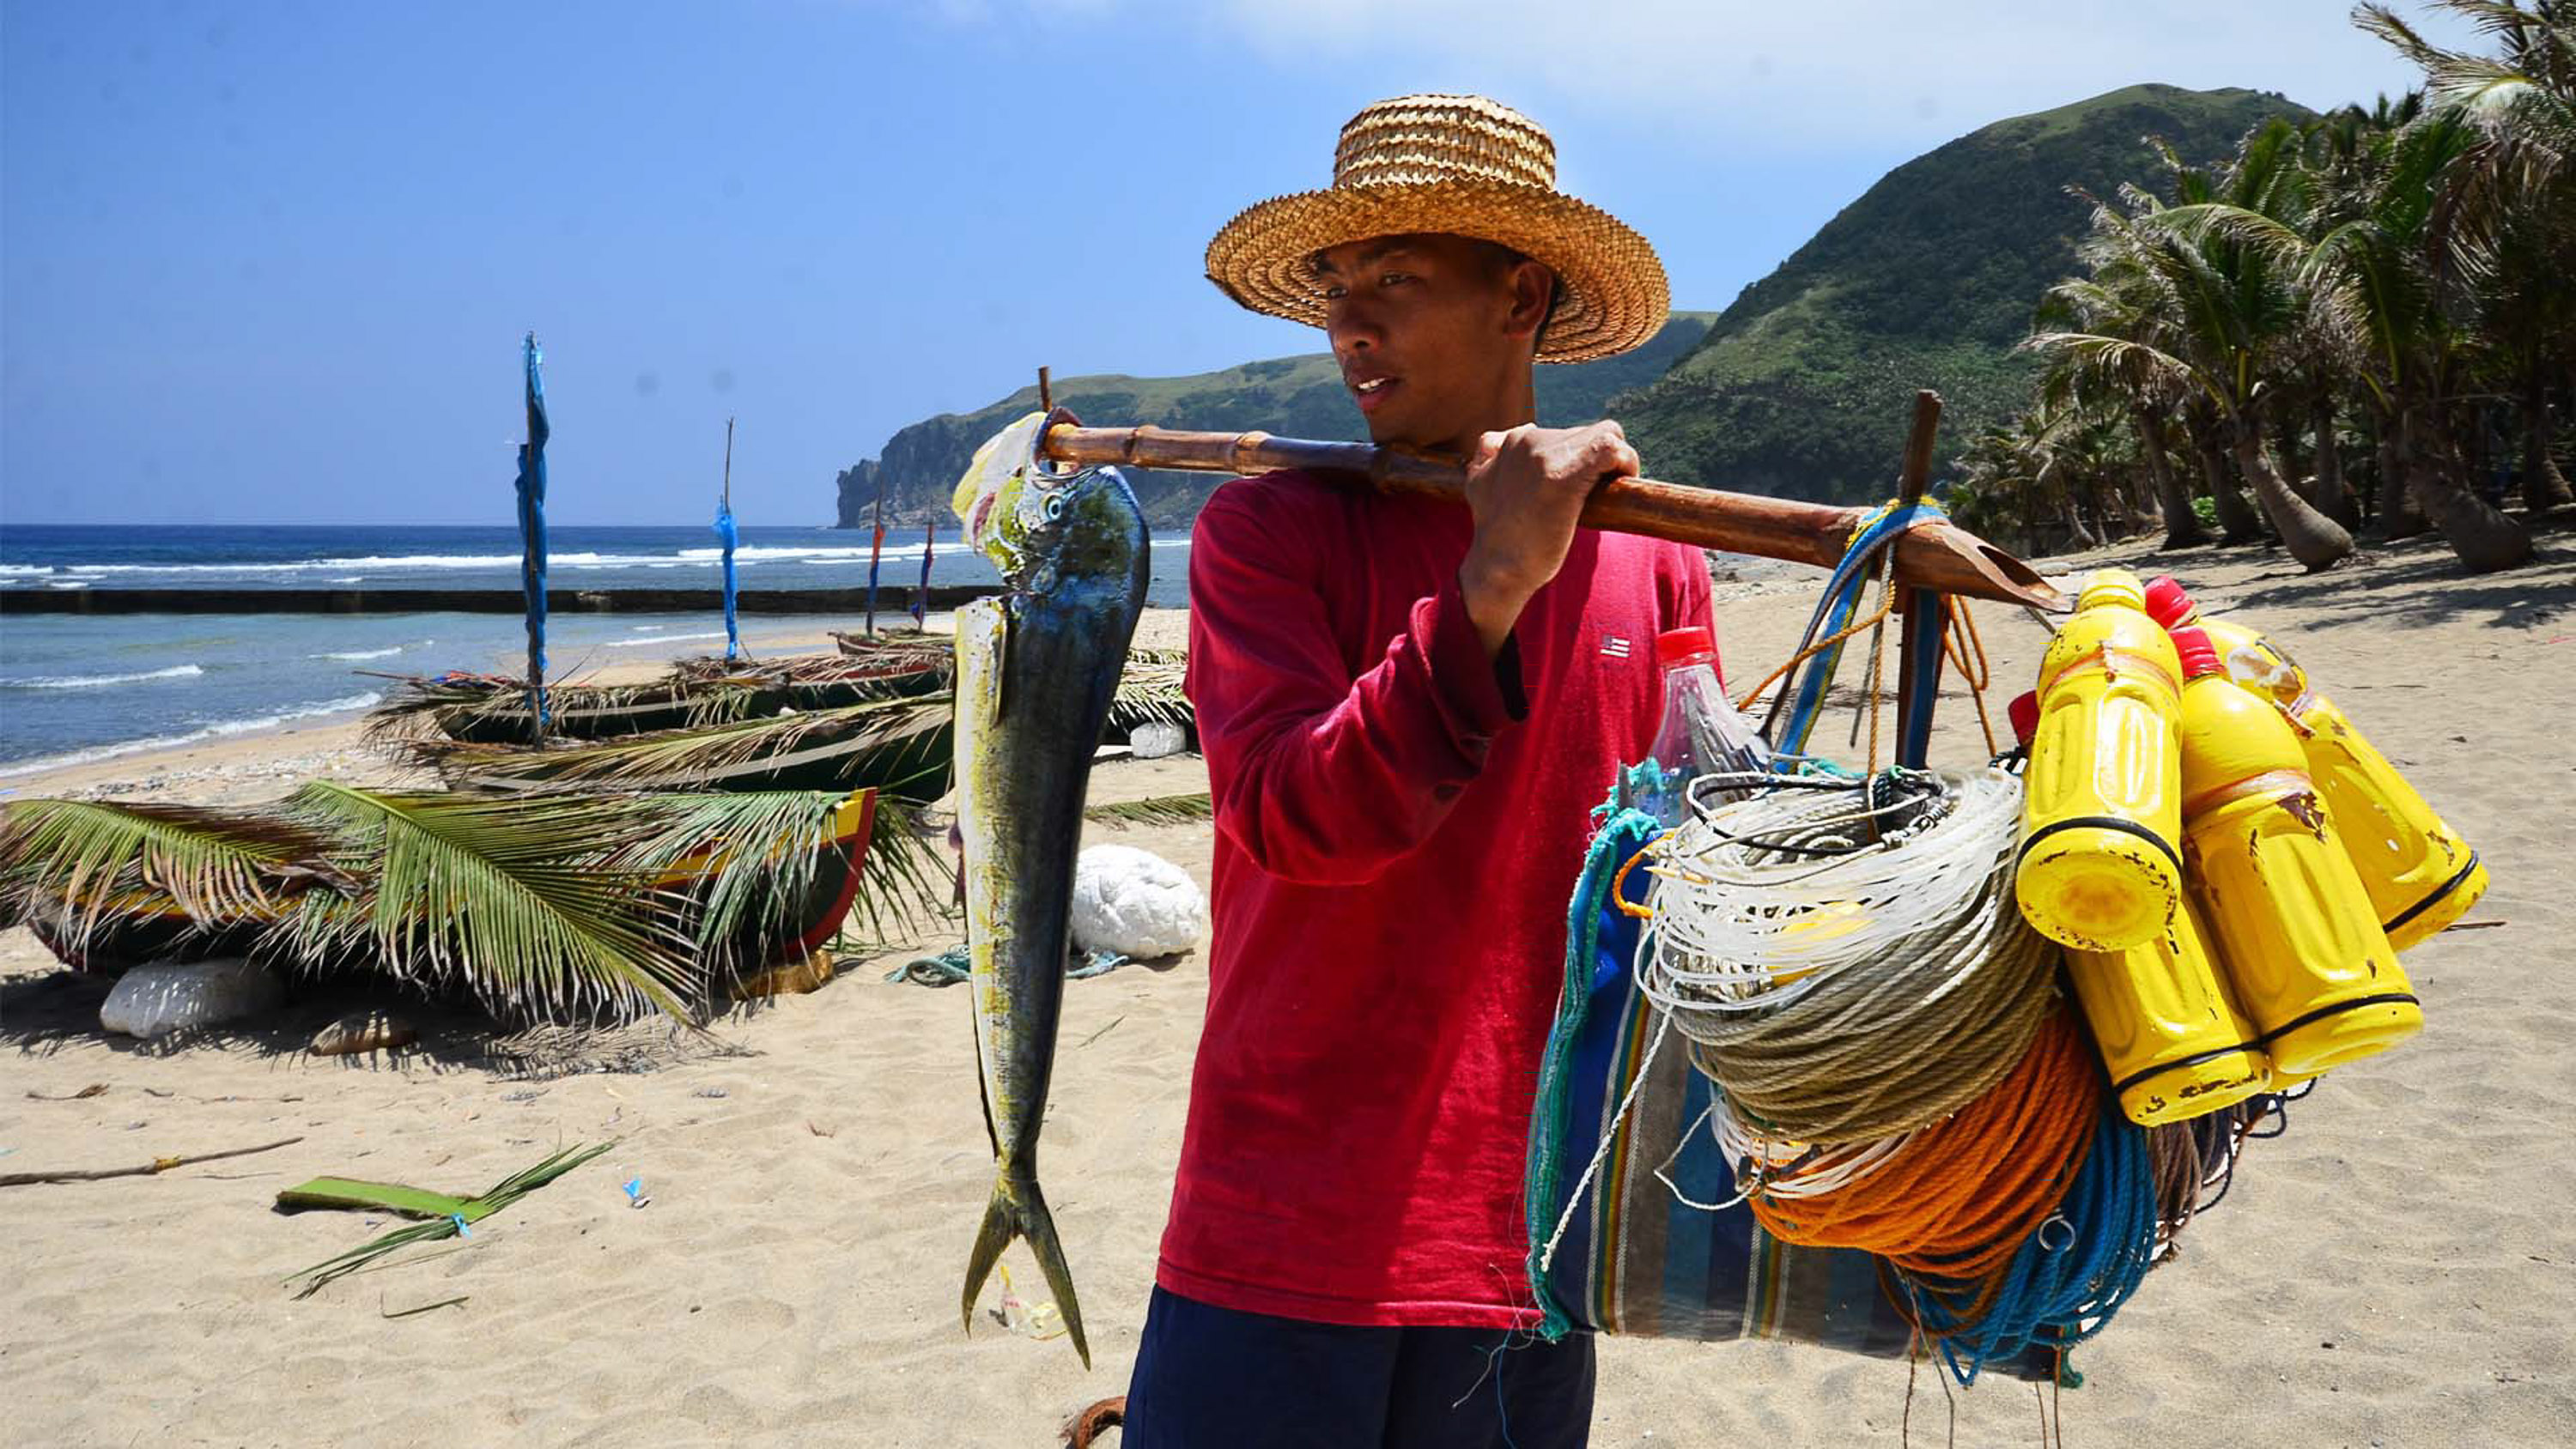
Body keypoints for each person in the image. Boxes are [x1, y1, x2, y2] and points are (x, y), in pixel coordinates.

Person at [1120, 95, 1712, 1448]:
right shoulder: (1267, 534)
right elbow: (1294, 819)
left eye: (1395, 281)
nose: (1348, 326)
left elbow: (1680, 870)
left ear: (1525, 295)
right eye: (1337, 288)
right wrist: (1491, 583)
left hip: (1530, 1238)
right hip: (1282, 1227)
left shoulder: (1658, 560)